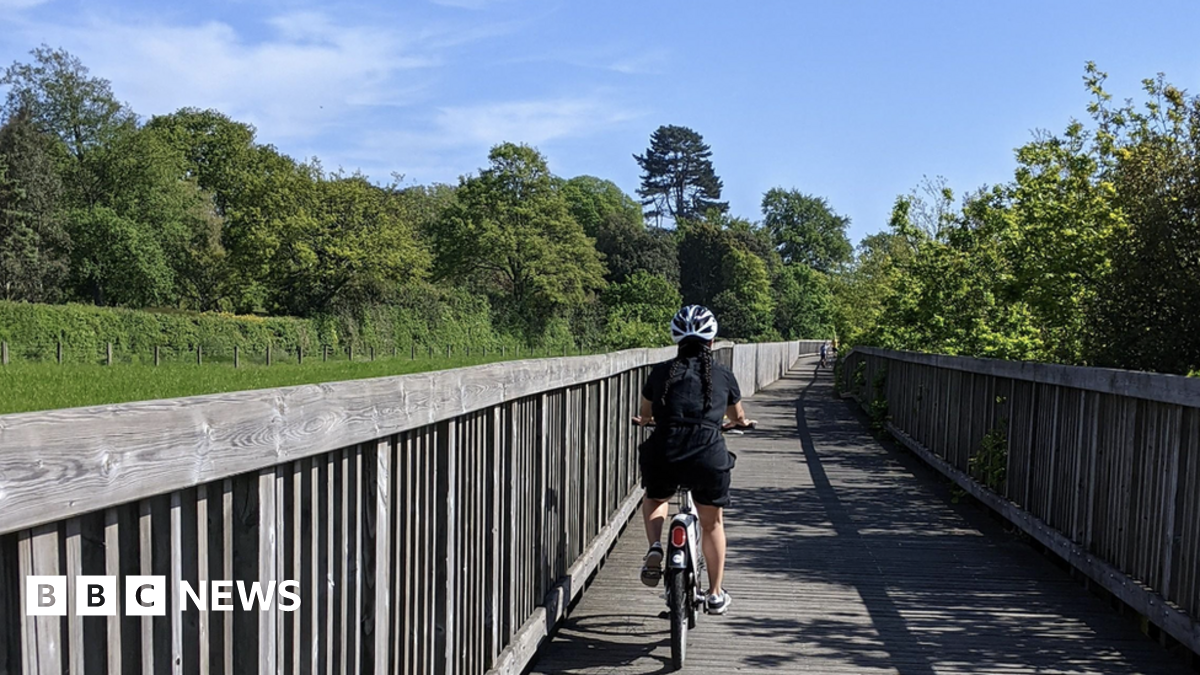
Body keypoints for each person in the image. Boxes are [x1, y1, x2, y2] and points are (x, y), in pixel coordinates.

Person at [631, 305, 755, 615]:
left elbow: (646, 414)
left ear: (676, 340)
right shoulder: (723, 375)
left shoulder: (660, 372)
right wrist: (738, 424)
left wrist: (646, 421)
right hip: (707, 454)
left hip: (665, 451)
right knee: (712, 523)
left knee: (656, 496)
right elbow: (737, 416)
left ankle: (656, 546)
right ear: (711, 342)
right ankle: (714, 594)